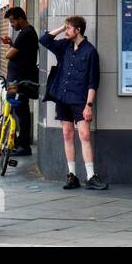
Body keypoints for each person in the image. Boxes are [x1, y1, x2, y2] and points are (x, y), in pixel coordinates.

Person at [40, 16, 107, 190]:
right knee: (67, 134)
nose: (66, 30)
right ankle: (72, 175)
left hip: (80, 100)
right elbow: (44, 39)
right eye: (66, 28)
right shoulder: (64, 46)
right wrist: (62, 28)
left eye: (69, 28)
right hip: (63, 98)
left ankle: (91, 176)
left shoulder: (90, 51)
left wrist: (89, 105)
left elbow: (93, 81)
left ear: (78, 30)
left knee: (84, 135)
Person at [0, 5, 38, 156]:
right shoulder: (26, 33)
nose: (11, 25)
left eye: (12, 22)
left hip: (20, 81)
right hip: (18, 79)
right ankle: (18, 142)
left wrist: (10, 49)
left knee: (21, 112)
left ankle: (23, 145)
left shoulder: (26, 33)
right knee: (17, 111)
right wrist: (11, 44)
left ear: (20, 19)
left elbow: (9, 55)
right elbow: (19, 51)